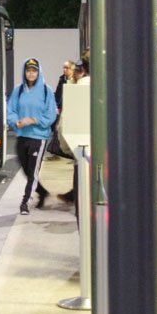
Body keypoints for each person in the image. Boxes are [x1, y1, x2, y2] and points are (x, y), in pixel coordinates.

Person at [7, 57, 57, 215]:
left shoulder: (46, 90)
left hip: (39, 136)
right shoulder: (19, 90)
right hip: (22, 136)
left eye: (34, 70)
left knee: (33, 171)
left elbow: (50, 115)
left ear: (39, 72)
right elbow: (11, 111)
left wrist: (33, 120)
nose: (31, 73)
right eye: (28, 70)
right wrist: (17, 122)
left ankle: (25, 202)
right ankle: (41, 190)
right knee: (27, 169)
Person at [58, 54, 90, 205]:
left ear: (82, 71)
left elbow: (63, 126)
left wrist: (67, 149)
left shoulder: (75, 90)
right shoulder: (108, 87)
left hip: (81, 153)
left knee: (82, 200)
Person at [47, 61, 76, 158]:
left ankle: (66, 151)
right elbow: (58, 94)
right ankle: (57, 150)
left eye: (67, 68)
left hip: (71, 108)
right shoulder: (62, 79)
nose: (65, 70)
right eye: (64, 68)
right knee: (58, 129)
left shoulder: (75, 80)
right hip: (62, 107)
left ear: (72, 70)